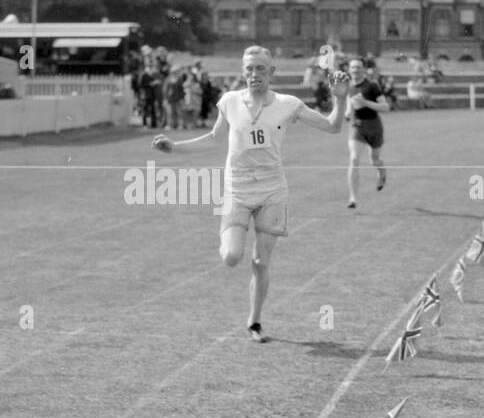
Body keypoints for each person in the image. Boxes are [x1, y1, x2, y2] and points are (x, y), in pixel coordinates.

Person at [151, 45, 349, 342]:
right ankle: (229, 233)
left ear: (271, 72)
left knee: (261, 262)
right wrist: (174, 147)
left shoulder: (288, 104)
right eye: (249, 69)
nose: (254, 74)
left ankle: (255, 322)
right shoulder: (230, 101)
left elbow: (333, 127)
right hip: (237, 189)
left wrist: (340, 97)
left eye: (260, 68)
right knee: (232, 256)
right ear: (242, 73)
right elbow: (213, 139)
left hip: (273, 191)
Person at [344, 57, 389, 209]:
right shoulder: (347, 87)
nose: (355, 70)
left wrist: (366, 103)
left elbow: (385, 107)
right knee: (354, 159)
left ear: (363, 69)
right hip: (357, 127)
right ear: (349, 70)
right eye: (353, 67)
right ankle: (352, 198)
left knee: (374, 160)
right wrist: (347, 113)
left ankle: (382, 173)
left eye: (358, 67)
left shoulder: (372, 86)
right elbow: (349, 104)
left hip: (374, 127)